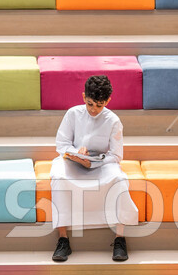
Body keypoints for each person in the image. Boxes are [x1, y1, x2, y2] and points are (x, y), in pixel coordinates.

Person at [49, 75, 139, 263]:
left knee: (119, 180)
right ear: (84, 96)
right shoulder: (73, 114)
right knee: (58, 177)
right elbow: (62, 144)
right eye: (90, 104)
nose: (93, 109)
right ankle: (63, 239)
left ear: (108, 101)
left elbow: (116, 155)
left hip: (101, 164)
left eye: (99, 105)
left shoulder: (113, 120)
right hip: (73, 162)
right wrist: (77, 153)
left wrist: (93, 162)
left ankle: (119, 238)